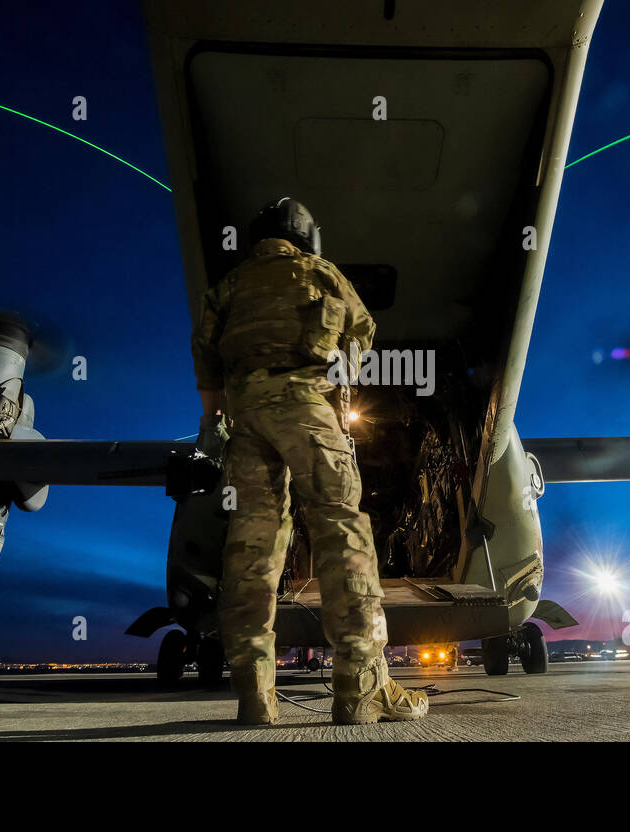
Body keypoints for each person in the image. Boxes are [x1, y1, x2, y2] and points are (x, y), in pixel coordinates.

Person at [190, 197, 429, 725]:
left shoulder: (227, 287)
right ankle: (360, 687)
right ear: (306, 236)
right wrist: (338, 384)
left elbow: (206, 362)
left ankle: (255, 694)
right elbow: (360, 333)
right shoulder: (322, 273)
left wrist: (213, 428)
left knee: (251, 549)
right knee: (341, 530)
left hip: (245, 419)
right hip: (306, 408)